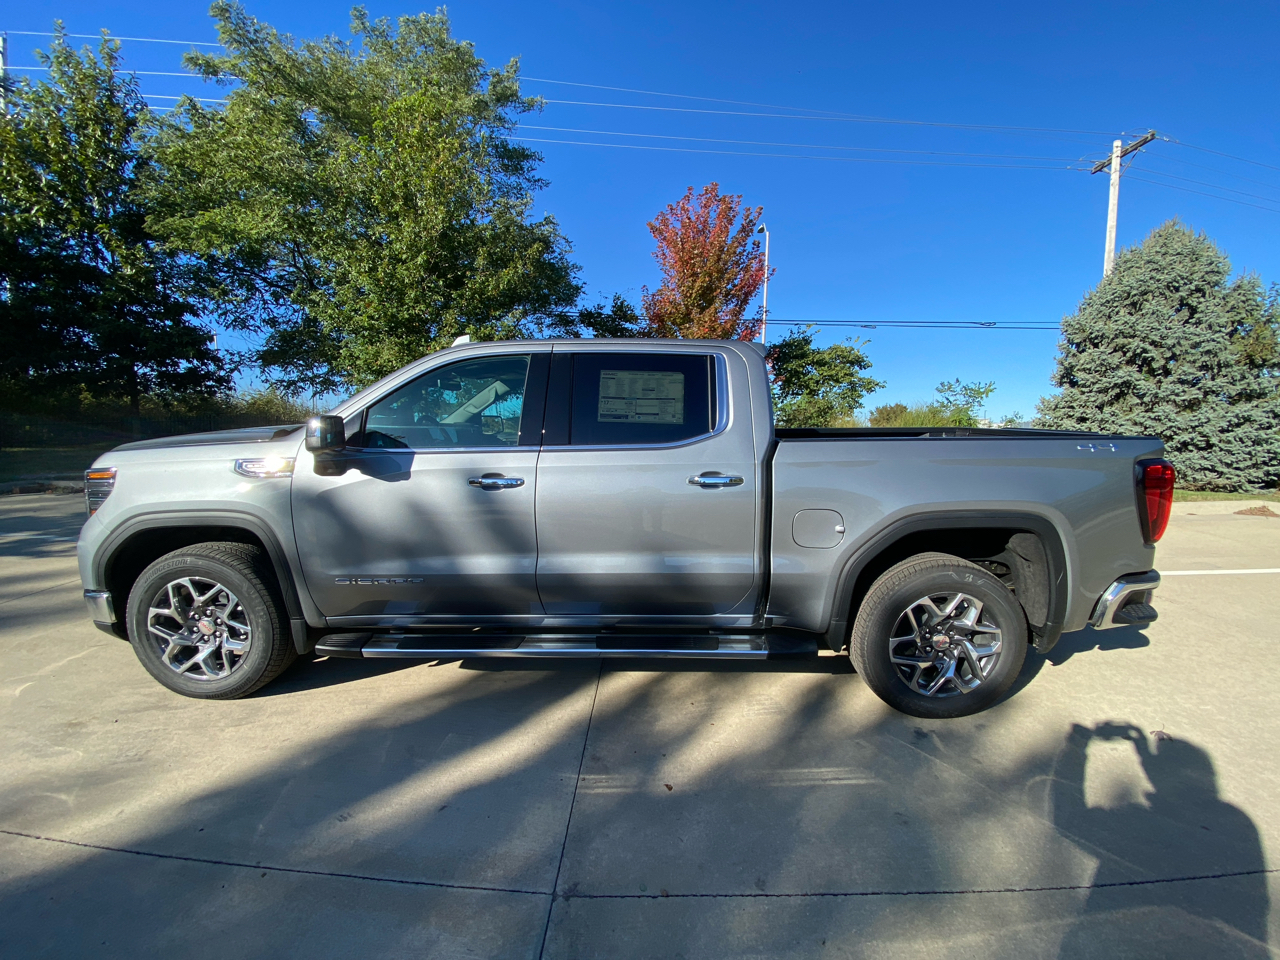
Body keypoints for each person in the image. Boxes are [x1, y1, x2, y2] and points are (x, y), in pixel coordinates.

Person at [1051, 721, 1270, 959]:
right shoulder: (1236, 825)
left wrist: (1077, 747)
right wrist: (1150, 760)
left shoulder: (1144, 826)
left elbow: (1071, 819)